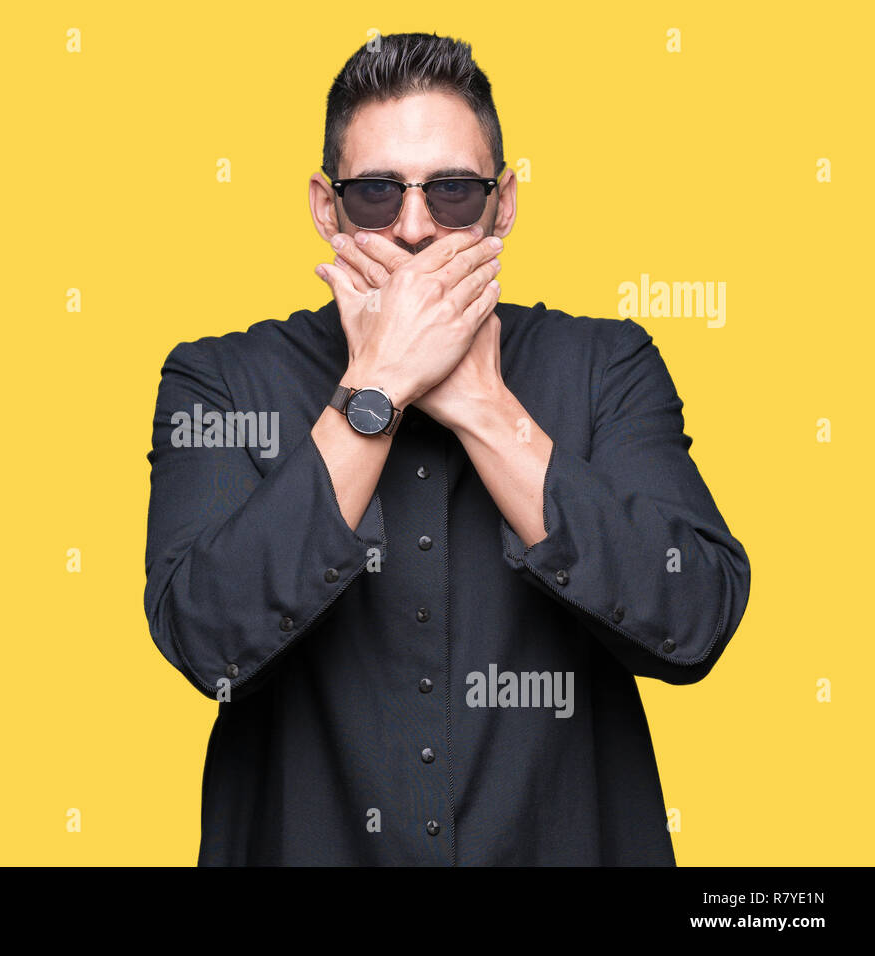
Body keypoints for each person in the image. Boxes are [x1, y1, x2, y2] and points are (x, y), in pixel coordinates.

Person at [143, 31, 751, 865]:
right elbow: (203, 636)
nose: (417, 228)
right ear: (327, 208)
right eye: (377, 195)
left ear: (503, 204)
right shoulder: (218, 382)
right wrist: (376, 393)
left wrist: (488, 409)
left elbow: (694, 619)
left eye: (454, 192)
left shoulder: (608, 367)